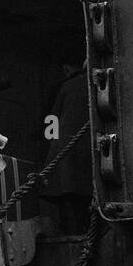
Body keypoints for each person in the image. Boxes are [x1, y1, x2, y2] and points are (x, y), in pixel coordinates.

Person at [40, 55, 92, 235]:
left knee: (67, 196)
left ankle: (71, 234)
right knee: (87, 196)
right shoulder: (96, 85)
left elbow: (52, 117)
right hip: (88, 147)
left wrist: (50, 141)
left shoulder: (66, 86)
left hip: (65, 149)